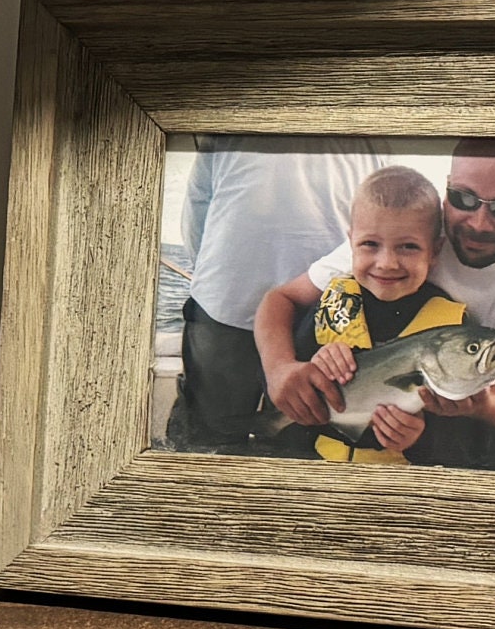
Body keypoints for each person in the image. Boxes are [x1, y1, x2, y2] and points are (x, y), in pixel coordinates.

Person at [256, 137, 495, 471]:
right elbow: (281, 299)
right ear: (447, 191)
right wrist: (280, 369)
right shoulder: (404, 229)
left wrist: (481, 403)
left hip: (473, 401)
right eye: (464, 198)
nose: (479, 223)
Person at [163, 138, 384, 452]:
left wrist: (210, 273)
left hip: (225, 300)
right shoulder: (371, 134)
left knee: (206, 437)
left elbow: (198, 203)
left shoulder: (226, 126)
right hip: (314, 309)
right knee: (293, 438)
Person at [246, 166, 473, 464]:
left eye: (408, 247)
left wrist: (418, 440)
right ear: (351, 242)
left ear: (435, 250)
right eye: (370, 244)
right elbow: (286, 380)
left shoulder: (454, 331)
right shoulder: (332, 300)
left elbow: (459, 441)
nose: (387, 263)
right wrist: (310, 365)